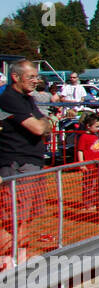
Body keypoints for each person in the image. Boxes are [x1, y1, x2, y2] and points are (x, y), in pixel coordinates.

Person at [0, 61, 56, 263]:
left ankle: (20, 257)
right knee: (11, 216)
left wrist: (42, 122)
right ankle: (6, 261)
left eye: (36, 77)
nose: (36, 81)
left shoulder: (27, 99)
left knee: (25, 215)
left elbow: (46, 122)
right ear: (16, 77)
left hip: (32, 161)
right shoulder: (9, 98)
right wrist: (42, 123)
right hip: (17, 161)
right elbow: (40, 128)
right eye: (31, 76)